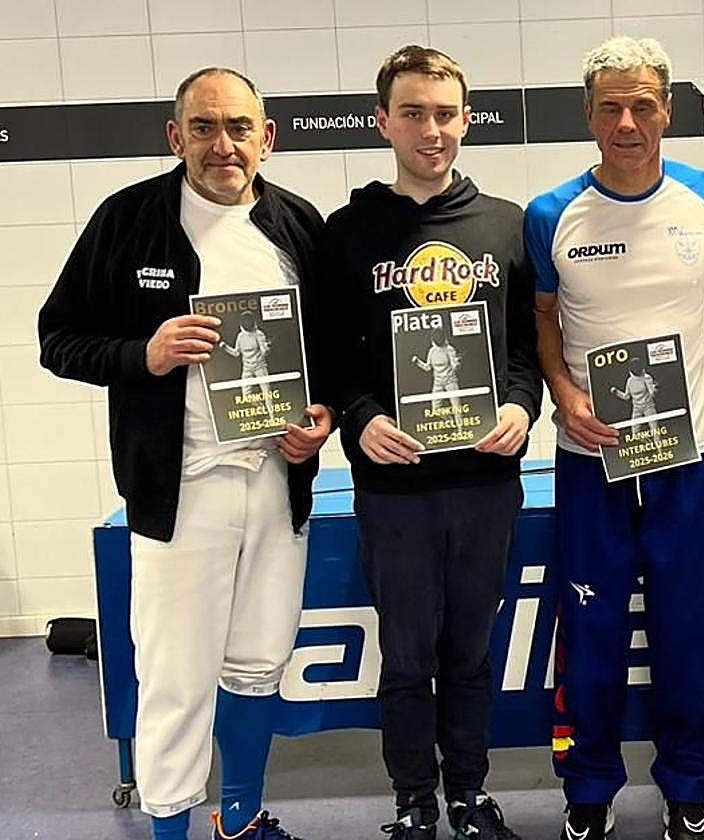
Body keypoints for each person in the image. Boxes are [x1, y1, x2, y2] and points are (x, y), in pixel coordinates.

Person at [38, 67, 332, 840]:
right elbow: (58, 340)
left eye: (239, 127)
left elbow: (333, 354)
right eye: (203, 127)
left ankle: (240, 816)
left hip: (277, 483)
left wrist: (323, 416)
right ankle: (171, 831)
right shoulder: (128, 220)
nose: (222, 145)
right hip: (180, 494)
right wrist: (145, 354)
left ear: (267, 138)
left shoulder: (297, 225)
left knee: (259, 663)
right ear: (176, 137)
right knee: (174, 681)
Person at [313, 45, 541, 840]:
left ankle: (469, 796)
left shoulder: (506, 225)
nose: (430, 130)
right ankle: (413, 800)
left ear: (467, 120)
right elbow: (329, 356)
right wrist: (361, 416)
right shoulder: (347, 232)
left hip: (484, 479)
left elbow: (526, 350)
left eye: (444, 114)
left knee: (470, 654)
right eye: (413, 113)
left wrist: (521, 407)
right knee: (408, 658)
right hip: (395, 487)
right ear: (383, 122)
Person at [525, 36, 704, 840]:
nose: (626, 122)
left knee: (689, 629)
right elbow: (544, 322)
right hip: (590, 461)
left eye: (642, 104)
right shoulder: (551, 214)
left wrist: (683, 361)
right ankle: (587, 786)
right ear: (588, 115)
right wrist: (566, 393)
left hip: (683, 456)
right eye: (610, 106)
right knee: (590, 631)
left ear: (667, 110)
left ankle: (689, 785)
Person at [222, 309, 275, 421]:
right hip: (247, 368)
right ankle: (261, 407)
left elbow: (264, 352)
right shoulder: (240, 336)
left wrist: (267, 348)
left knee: (267, 392)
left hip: (260, 367)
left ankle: (272, 417)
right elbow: (236, 353)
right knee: (246, 396)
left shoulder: (259, 334)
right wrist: (225, 347)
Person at [609, 357, 660, 437]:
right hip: (637, 409)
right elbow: (626, 397)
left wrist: (654, 388)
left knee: (655, 430)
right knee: (635, 434)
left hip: (649, 407)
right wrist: (617, 392)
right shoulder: (630, 381)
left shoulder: (647, 377)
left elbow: (652, 393)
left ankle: (659, 445)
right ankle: (648, 443)